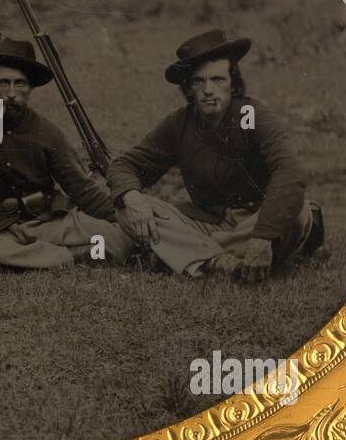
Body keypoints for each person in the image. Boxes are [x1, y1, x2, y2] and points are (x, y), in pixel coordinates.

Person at [106, 30, 323, 281]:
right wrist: (132, 197)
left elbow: (290, 171)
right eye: (198, 81)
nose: (208, 90)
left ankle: (186, 254)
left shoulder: (253, 114)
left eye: (218, 79)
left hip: (255, 221)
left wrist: (263, 235)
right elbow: (124, 165)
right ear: (188, 87)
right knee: (126, 210)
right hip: (207, 225)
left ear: (233, 83)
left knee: (298, 211)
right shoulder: (179, 124)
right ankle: (222, 263)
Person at [0, 37, 133, 269]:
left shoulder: (47, 132)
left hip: (46, 222)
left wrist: (123, 219)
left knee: (119, 240)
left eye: (20, 84)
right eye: (3, 83)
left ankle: (32, 258)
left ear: (31, 88)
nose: (11, 92)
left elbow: (81, 188)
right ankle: (66, 257)